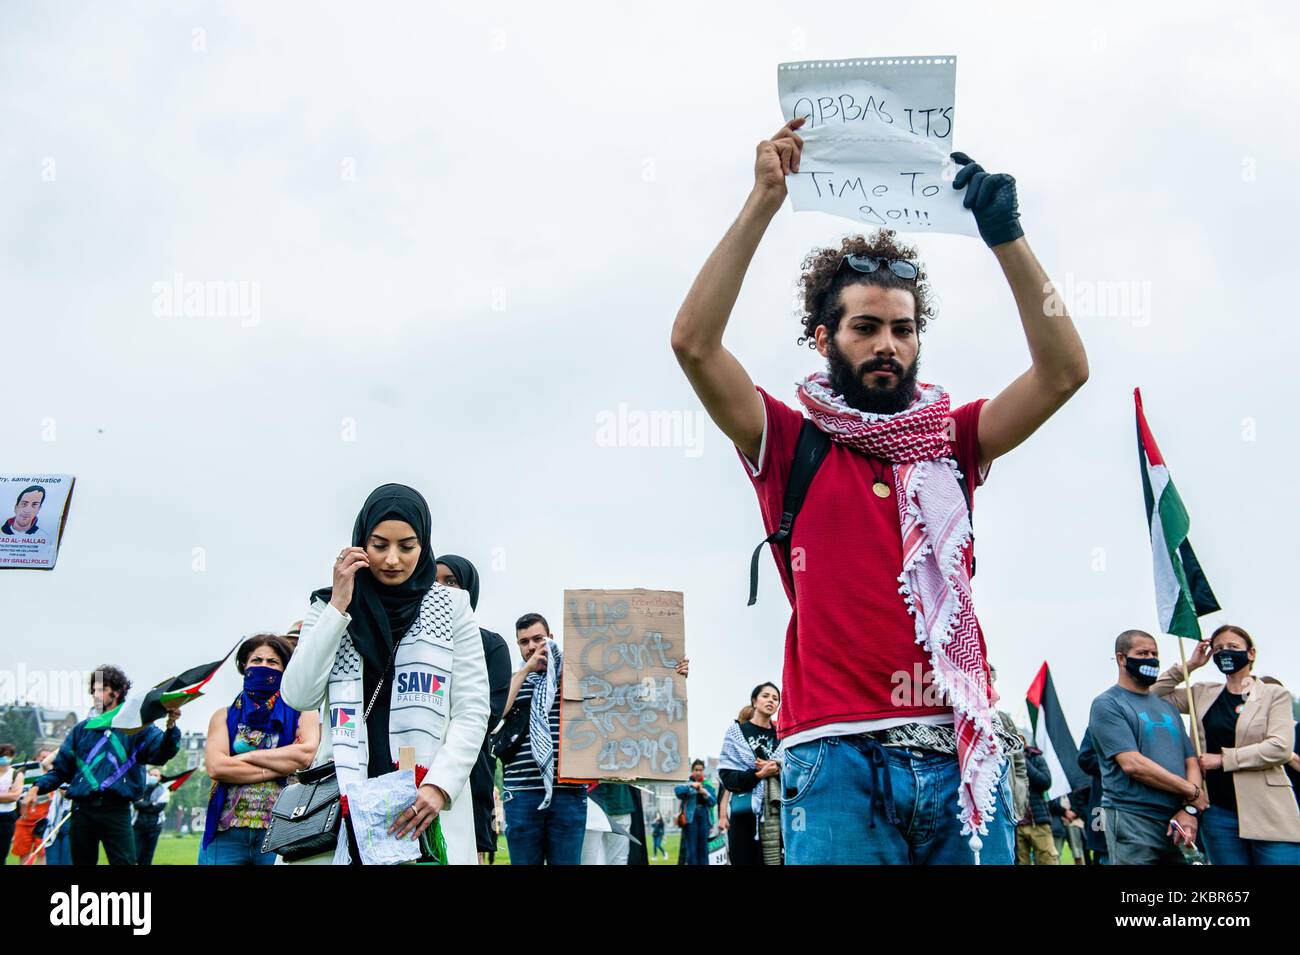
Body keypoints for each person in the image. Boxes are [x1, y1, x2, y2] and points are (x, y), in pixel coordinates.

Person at [670, 118, 1088, 865]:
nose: (887, 344)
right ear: (825, 338)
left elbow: (1064, 373)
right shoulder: (789, 441)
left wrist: (1007, 238)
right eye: (865, 327)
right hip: (835, 764)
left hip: (962, 756)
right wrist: (763, 200)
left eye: (903, 328)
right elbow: (693, 344)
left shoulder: (953, 440)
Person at [281, 483, 489, 865]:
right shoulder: (327, 606)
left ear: (424, 545)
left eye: (407, 546)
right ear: (360, 543)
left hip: (422, 804)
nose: (393, 559)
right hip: (345, 798)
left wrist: (440, 787)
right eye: (379, 545)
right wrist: (339, 605)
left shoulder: (452, 607)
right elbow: (298, 694)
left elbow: (472, 710)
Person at [1151, 625, 1300, 864]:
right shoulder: (1201, 693)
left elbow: (1279, 748)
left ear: (1250, 653)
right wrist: (1190, 665)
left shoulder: (1274, 694)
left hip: (1269, 810)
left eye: (1233, 647)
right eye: (1218, 648)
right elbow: (1150, 693)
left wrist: (1223, 760)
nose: (1225, 653)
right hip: (1219, 813)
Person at [35, 665, 181, 865]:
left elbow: (161, 754)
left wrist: (171, 727)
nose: (96, 695)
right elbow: (61, 770)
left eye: (102, 690)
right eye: (94, 690)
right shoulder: (81, 730)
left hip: (116, 810)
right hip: (81, 810)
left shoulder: (137, 726)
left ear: (118, 692)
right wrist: (37, 787)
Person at [1086, 630, 1206, 865]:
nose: (1151, 658)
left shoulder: (1167, 707)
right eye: (1142, 653)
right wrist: (1192, 793)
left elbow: (1190, 760)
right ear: (1121, 658)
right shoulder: (1108, 704)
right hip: (1132, 816)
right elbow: (1133, 764)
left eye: (1154, 653)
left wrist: (1190, 809)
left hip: (1176, 819)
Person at [200, 634, 318, 865]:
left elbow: (305, 756)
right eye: (257, 660)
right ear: (244, 666)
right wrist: (280, 765)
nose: (264, 666)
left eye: (273, 662)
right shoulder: (223, 716)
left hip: (282, 830)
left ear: (285, 669)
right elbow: (216, 766)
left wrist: (248, 756)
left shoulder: (304, 711)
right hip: (227, 832)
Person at [434, 554, 512, 864]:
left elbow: (488, 713)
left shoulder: (490, 646)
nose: (439, 589)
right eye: (432, 581)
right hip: (413, 760)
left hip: (468, 764)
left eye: (450, 582)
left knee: (467, 849)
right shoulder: (409, 641)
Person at [494, 612, 588, 865]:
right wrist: (526, 670)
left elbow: (624, 692)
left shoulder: (576, 680)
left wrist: (674, 672)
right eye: (524, 642)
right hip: (522, 794)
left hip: (569, 793)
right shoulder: (514, 680)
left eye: (538, 639)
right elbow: (495, 712)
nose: (532, 647)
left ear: (552, 638)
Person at [718, 682, 782, 865]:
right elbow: (727, 777)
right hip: (744, 813)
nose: (771, 700)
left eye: (775, 698)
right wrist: (758, 774)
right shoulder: (736, 733)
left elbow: (796, 773)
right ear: (754, 701)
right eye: (765, 696)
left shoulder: (782, 736)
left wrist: (777, 769)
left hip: (775, 814)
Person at [1016, 738, 1058, 865]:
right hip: (1017, 824)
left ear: (1024, 742)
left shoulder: (1036, 758)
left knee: (1047, 860)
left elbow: (1045, 782)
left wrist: (1023, 762)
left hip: (1038, 822)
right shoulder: (1007, 760)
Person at [675, 759, 716, 865]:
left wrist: (704, 792)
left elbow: (713, 801)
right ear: (692, 770)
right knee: (691, 851)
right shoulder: (687, 783)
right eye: (696, 769)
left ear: (703, 771)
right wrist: (692, 786)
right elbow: (678, 791)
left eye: (700, 770)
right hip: (690, 818)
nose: (698, 772)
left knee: (703, 850)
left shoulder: (707, 784)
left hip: (704, 818)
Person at [1076, 729, 1109, 864]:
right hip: (1103, 808)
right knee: (1104, 855)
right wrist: (1119, 761)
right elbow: (1085, 758)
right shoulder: (1098, 725)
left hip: (1140, 810)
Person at [132, 767, 170, 865]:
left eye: (155, 775)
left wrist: (143, 804)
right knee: (134, 855)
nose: (152, 777)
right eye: (151, 774)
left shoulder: (164, 791)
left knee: (147, 856)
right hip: (137, 826)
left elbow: (159, 808)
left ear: (160, 778)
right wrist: (151, 803)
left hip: (154, 827)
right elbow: (136, 804)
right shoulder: (140, 788)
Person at [0, 744, 22, 862]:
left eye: (8, 756)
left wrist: (10, 795)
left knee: (2, 852)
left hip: (7, 817)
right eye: (2, 755)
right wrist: (6, 796)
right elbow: (10, 795)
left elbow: (15, 796)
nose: (4, 758)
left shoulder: (16, 774)